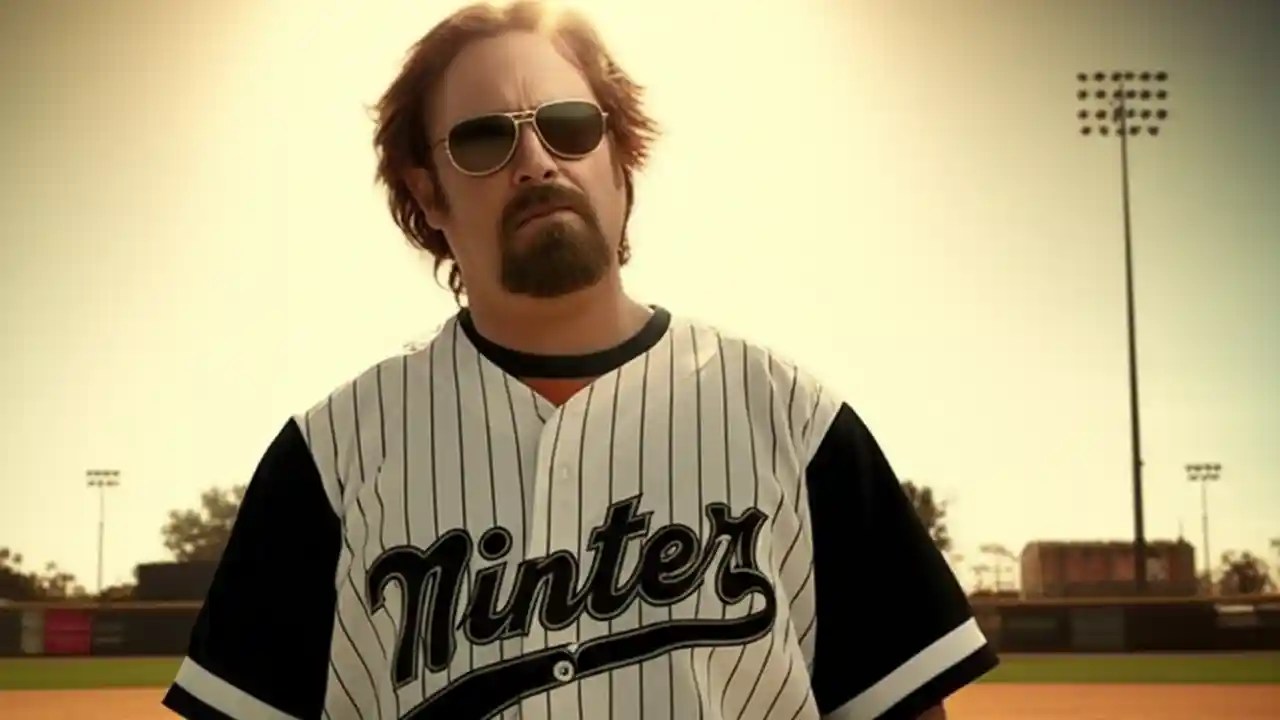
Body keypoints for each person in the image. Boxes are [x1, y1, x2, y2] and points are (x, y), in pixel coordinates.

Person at [161, 2, 998, 718]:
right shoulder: (331, 456)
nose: (535, 160)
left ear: (620, 161)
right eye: (484, 140)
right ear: (427, 193)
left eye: (569, 126)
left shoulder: (794, 420)